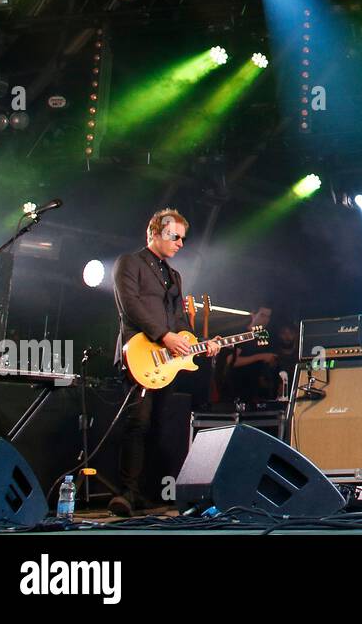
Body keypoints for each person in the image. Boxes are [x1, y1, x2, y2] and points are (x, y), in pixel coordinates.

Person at [111, 208, 220, 516]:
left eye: (183, 238)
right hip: (140, 352)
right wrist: (163, 335)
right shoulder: (129, 263)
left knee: (160, 425)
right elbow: (130, 306)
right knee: (138, 422)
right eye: (175, 237)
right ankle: (126, 493)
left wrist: (199, 343)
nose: (180, 243)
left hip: (166, 361)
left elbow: (180, 320)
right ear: (154, 233)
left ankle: (146, 492)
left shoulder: (174, 276)